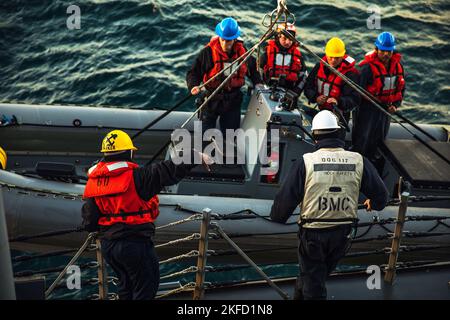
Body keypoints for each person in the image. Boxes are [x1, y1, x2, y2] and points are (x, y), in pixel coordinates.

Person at [270, 110, 389, 300]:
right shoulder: (359, 160)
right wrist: (373, 202)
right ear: (338, 133)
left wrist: (277, 217)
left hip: (313, 234)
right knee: (315, 276)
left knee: (314, 284)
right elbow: (382, 197)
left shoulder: (306, 162)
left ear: (315, 136)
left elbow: (285, 201)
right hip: (343, 233)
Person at [81, 130, 210, 300]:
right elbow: (169, 170)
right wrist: (196, 155)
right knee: (145, 290)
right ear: (129, 152)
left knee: (125, 289)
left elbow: (89, 221)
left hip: (109, 247)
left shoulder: (94, 180)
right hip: (134, 245)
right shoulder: (139, 177)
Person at [186, 17, 263, 138]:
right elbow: (194, 72)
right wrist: (193, 85)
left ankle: (227, 154)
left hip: (233, 100)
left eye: (228, 41)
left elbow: (252, 70)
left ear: (234, 39)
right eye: (223, 40)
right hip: (211, 98)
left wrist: (258, 83)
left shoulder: (242, 53)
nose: (224, 44)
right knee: (204, 135)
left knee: (230, 136)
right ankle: (205, 154)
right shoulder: (208, 52)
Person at [352, 32, 405, 171]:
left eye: (389, 51)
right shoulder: (366, 68)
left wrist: (395, 105)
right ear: (376, 49)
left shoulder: (398, 67)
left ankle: (375, 173)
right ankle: (359, 171)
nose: (386, 54)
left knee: (380, 143)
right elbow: (356, 92)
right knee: (363, 141)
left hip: (385, 111)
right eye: (382, 51)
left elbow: (400, 89)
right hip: (367, 111)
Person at [304, 37, 360, 123]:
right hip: (321, 112)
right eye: (331, 57)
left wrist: (338, 101)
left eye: (337, 58)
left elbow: (354, 99)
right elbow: (308, 87)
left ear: (343, 56)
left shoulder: (351, 74)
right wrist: (316, 98)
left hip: (340, 116)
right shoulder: (319, 67)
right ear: (326, 54)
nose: (333, 60)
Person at [259, 23, 308, 95]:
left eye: (291, 39)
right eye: (284, 38)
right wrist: (262, 86)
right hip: (267, 90)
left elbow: (304, 76)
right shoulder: (267, 54)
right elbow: (259, 72)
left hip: (289, 92)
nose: (288, 42)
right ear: (277, 37)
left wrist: (296, 92)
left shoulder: (298, 57)